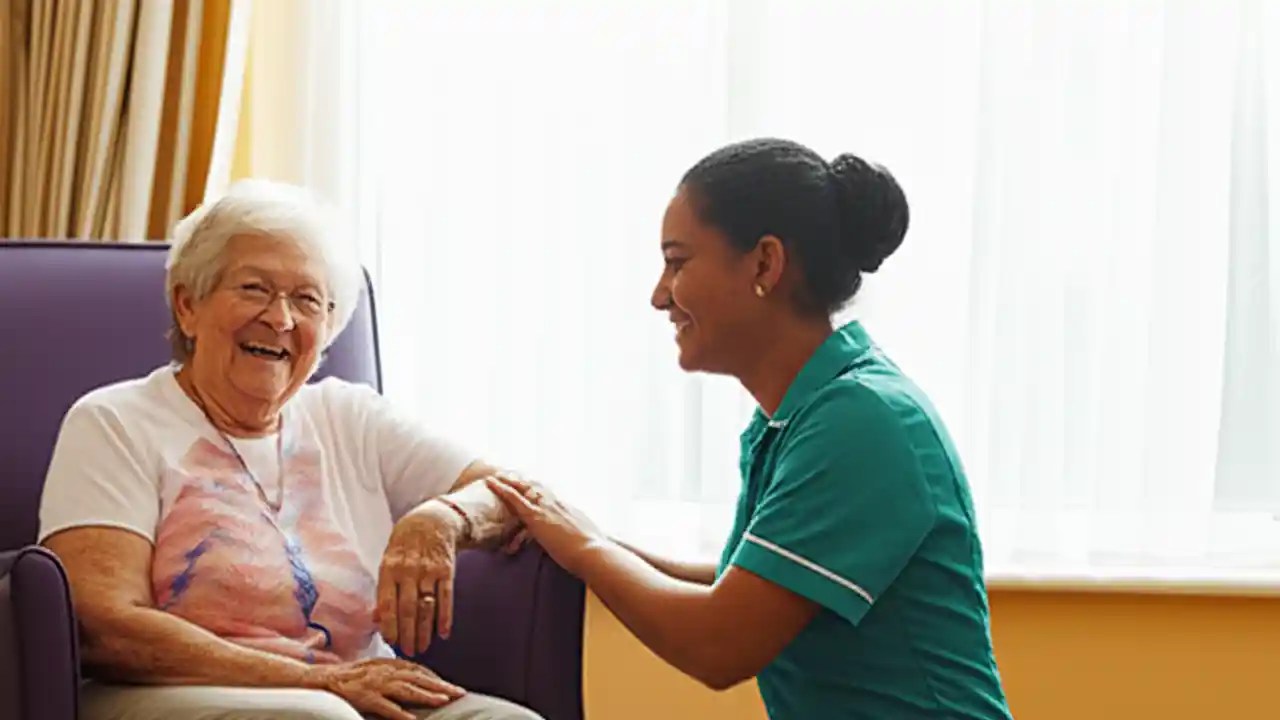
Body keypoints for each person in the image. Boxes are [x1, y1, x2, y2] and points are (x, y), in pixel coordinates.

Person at [486, 138, 1013, 719]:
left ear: (765, 263)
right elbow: (735, 594)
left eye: (678, 262)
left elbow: (719, 644)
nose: (659, 295)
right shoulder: (803, 415)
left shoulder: (863, 422)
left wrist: (585, 549)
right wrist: (579, 539)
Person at [39, 180, 541, 720]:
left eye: (306, 300)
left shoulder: (351, 418)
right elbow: (102, 625)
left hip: (353, 691)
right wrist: (318, 681)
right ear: (188, 306)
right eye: (254, 289)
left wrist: (441, 518)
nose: (280, 319)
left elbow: (518, 497)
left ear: (327, 332)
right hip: (171, 690)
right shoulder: (115, 422)